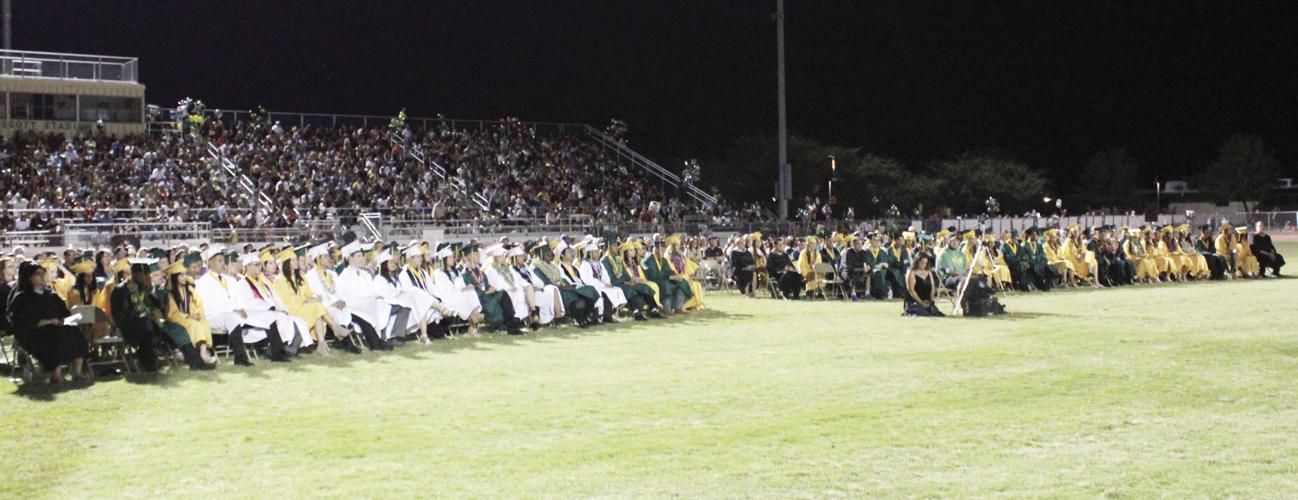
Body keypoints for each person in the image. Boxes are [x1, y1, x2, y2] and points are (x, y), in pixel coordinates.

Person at [111, 259, 213, 371]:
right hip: (131, 327)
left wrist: (157, 303)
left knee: (179, 329)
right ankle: (150, 366)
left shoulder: (144, 289)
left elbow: (156, 309)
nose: (149, 278)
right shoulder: (121, 290)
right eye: (147, 275)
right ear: (137, 274)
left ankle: (195, 361)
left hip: (153, 323)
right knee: (146, 326)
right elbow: (121, 315)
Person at [6, 261, 92, 383]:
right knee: (53, 338)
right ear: (29, 277)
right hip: (33, 333)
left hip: (56, 327)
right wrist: (48, 321)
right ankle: (55, 374)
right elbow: (22, 322)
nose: (42, 277)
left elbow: (63, 311)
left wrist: (64, 319)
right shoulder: (21, 298)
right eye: (38, 274)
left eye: (43, 274)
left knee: (75, 333)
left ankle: (77, 372)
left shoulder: (50, 295)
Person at [273, 247, 360, 355]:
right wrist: (308, 300)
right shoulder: (280, 280)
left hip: (304, 309)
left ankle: (322, 344)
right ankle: (334, 329)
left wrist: (315, 297)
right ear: (287, 263)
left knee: (317, 306)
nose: (297, 262)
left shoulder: (300, 276)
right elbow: (288, 302)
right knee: (316, 306)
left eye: (297, 259)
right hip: (292, 312)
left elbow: (309, 292)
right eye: (294, 260)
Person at [193, 248, 263, 366]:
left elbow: (237, 299)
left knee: (248, 316)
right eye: (218, 261)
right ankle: (240, 358)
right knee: (233, 318)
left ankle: (265, 346)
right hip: (213, 316)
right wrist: (234, 309)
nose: (222, 264)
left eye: (222, 261)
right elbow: (207, 304)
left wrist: (240, 308)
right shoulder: (203, 282)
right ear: (209, 263)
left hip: (230, 314)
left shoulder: (229, 280)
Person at [163, 260, 217, 365]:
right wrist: (189, 316)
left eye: (185, 274)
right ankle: (203, 353)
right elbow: (172, 314)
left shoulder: (189, 289)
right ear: (175, 277)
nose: (185, 277)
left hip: (190, 317)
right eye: (181, 275)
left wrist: (197, 314)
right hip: (179, 319)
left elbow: (199, 304)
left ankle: (205, 350)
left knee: (203, 322)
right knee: (193, 324)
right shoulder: (171, 293)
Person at [642, 240, 690, 314]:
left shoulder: (663, 260)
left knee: (682, 282)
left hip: (665, 279)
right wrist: (670, 277)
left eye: (664, 249)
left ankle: (678, 307)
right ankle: (667, 309)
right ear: (656, 249)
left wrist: (676, 275)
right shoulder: (649, 259)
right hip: (655, 280)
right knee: (666, 285)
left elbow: (668, 270)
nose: (664, 251)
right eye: (662, 249)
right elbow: (654, 275)